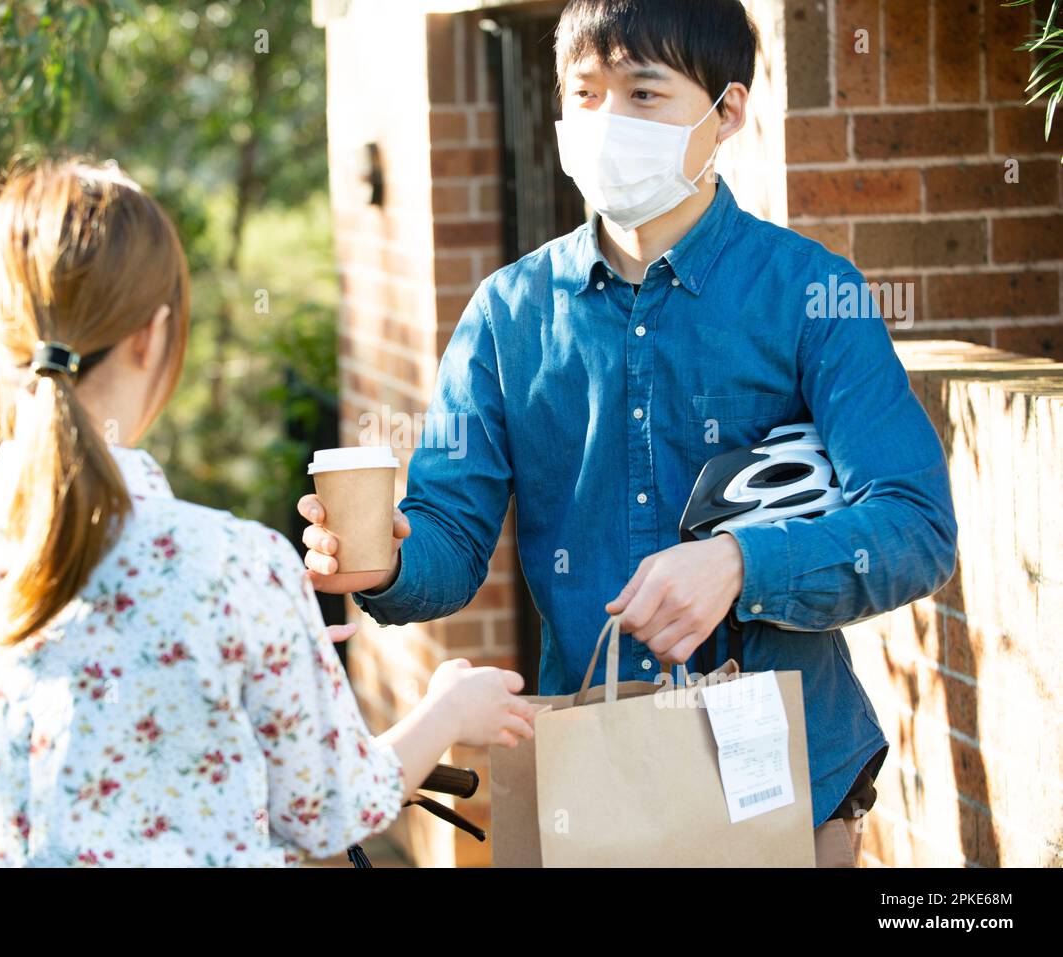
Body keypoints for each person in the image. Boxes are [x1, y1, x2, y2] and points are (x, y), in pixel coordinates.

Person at [299, 0, 957, 868]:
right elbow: (450, 543)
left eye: (644, 95)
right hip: (595, 779)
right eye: (586, 93)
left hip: (792, 781)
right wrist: (383, 565)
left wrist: (741, 566)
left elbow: (916, 526)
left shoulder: (810, 293)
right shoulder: (507, 314)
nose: (608, 122)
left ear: (727, 112)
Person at [0, 156, 536, 867]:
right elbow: (331, 810)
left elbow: (80, 730)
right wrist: (449, 707)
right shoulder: (235, 568)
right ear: (152, 334)